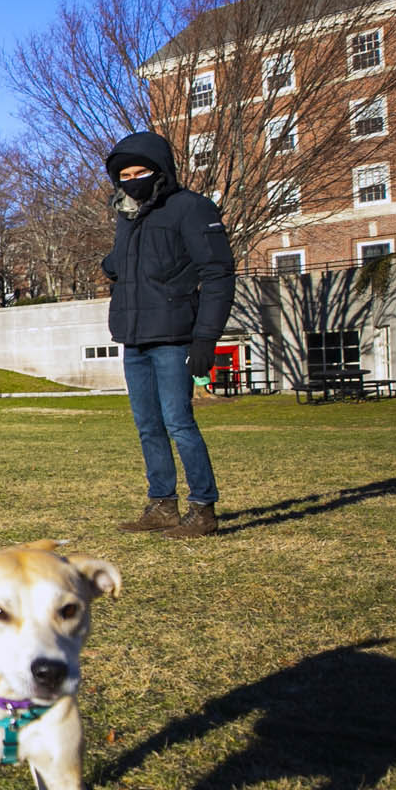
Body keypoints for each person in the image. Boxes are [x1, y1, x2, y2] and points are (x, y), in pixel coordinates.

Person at [101, 131, 234, 539]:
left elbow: (218, 273)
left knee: (179, 423)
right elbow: (134, 264)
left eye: (140, 172)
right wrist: (114, 265)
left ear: (160, 171)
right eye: (124, 175)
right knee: (148, 425)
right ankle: (162, 504)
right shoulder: (127, 215)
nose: (132, 181)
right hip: (134, 337)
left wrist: (205, 338)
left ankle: (203, 509)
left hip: (175, 337)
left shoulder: (191, 208)